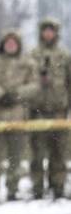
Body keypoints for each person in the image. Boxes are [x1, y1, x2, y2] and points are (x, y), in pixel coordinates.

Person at [0, 29, 35, 203]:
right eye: (8, 42)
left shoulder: (27, 63)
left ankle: (12, 190)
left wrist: (16, 95)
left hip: (18, 115)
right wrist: (0, 94)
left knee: (16, 157)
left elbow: (35, 85)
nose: (11, 45)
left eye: (14, 42)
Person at [28, 17, 71, 200]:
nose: (48, 34)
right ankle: (37, 188)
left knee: (59, 153)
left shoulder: (64, 55)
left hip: (59, 110)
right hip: (37, 110)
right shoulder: (32, 55)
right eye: (45, 30)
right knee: (37, 153)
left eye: (51, 30)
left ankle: (58, 186)